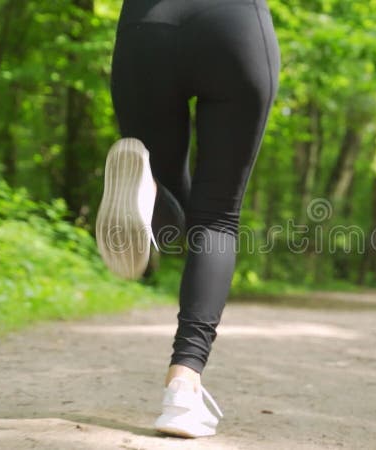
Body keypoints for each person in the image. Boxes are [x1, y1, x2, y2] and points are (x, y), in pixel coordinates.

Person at [95, 0, 280, 439]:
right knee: (217, 218)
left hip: (148, 27)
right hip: (234, 26)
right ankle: (183, 385)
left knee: (166, 185)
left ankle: (151, 195)